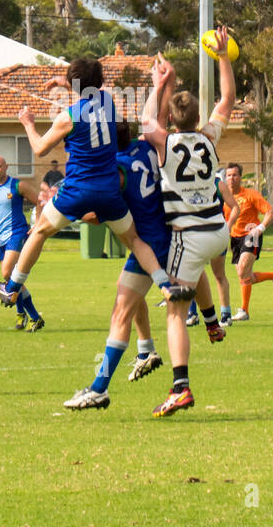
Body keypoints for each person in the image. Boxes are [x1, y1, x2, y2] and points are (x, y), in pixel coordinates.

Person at [0, 57, 194, 310]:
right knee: (135, 241)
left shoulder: (68, 117)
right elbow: (91, 90)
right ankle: (165, 285)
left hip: (76, 191)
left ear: (76, 86)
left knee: (40, 231)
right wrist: (65, 83)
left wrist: (28, 124)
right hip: (109, 191)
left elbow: (40, 148)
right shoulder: (108, 102)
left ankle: (12, 288)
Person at [64, 121, 237, 411]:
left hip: (148, 243)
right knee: (184, 279)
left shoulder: (115, 169)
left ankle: (99, 388)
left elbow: (96, 212)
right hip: (173, 234)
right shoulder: (148, 147)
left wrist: (74, 211)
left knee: (122, 313)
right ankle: (192, 330)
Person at [142, 28, 236, 417]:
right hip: (219, 230)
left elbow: (147, 118)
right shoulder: (210, 138)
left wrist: (159, 82)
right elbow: (228, 99)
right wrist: (223, 57)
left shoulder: (164, 142)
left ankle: (180, 386)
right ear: (199, 116)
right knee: (193, 271)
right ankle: (213, 322)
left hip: (190, 233)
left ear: (171, 119)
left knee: (174, 311)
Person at [0, 155, 44, 330]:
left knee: (7, 271)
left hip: (17, 234)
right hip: (0, 238)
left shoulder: (17, 185)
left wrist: (37, 223)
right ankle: (23, 314)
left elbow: (39, 201)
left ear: (6, 167)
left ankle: (31, 316)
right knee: (11, 278)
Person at [219, 162, 273, 323]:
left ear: (240, 177)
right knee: (246, 276)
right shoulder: (223, 198)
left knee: (243, 270)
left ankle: (244, 310)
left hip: (251, 236)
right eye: (228, 175)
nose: (231, 178)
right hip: (235, 239)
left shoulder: (250, 194)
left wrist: (261, 228)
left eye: (234, 175)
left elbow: (270, 211)